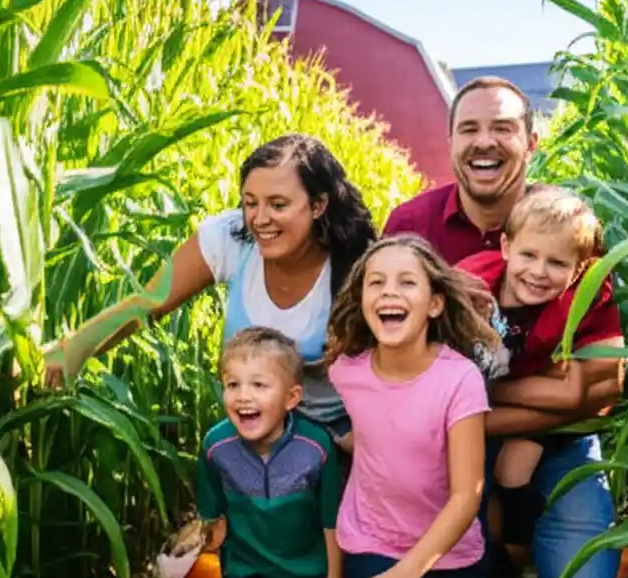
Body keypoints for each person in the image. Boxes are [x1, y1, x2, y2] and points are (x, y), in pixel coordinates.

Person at [382, 76, 626, 578]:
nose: (484, 141)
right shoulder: (412, 227)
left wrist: (470, 398)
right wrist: (552, 389)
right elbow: (395, 368)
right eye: (469, 128)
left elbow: (602, 389)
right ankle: (502, 569)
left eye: (503, 128)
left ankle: (512, 558)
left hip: (558, 444)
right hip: (439, 451)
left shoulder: (572, 228)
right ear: (450, 142)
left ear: (531, 142)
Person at [43, 134, 377, 448]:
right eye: (250, 203)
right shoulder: (230, 238)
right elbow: (149, 303)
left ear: (318, 205)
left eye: (278, 205)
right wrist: (74, 348)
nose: (260, 219)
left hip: (341, 437)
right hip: (255, 429)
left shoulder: (358, 268)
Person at [457, 185, 620, 578]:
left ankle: (515, 552)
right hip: (483, 412)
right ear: (507, 247)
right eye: (529, 256)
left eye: (557, 263)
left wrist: (490, 394)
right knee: (474, 493)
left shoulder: (586, 299)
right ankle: (500, 567)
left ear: (580, 270)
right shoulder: (472, 285)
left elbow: (581, 393)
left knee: (513, 472)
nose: (539, 272)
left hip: (538, 419)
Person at [324, 234, 498, 578]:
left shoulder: (460, 379)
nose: (389, 292)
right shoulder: (345, 374)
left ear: (435, 303)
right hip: (369, 546)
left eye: (406, 281)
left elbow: (467, 495)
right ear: (361, 301)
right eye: (376, 282)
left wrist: (405, 576)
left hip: (450, 559)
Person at [195, 327, 344, 578]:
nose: (243, 396)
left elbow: (331, 523)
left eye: (259, 385)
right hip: (244, 576)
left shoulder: (316, 447)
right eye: (232, 384)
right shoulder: (215, 446)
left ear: (291, 398)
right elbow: (212, 516)